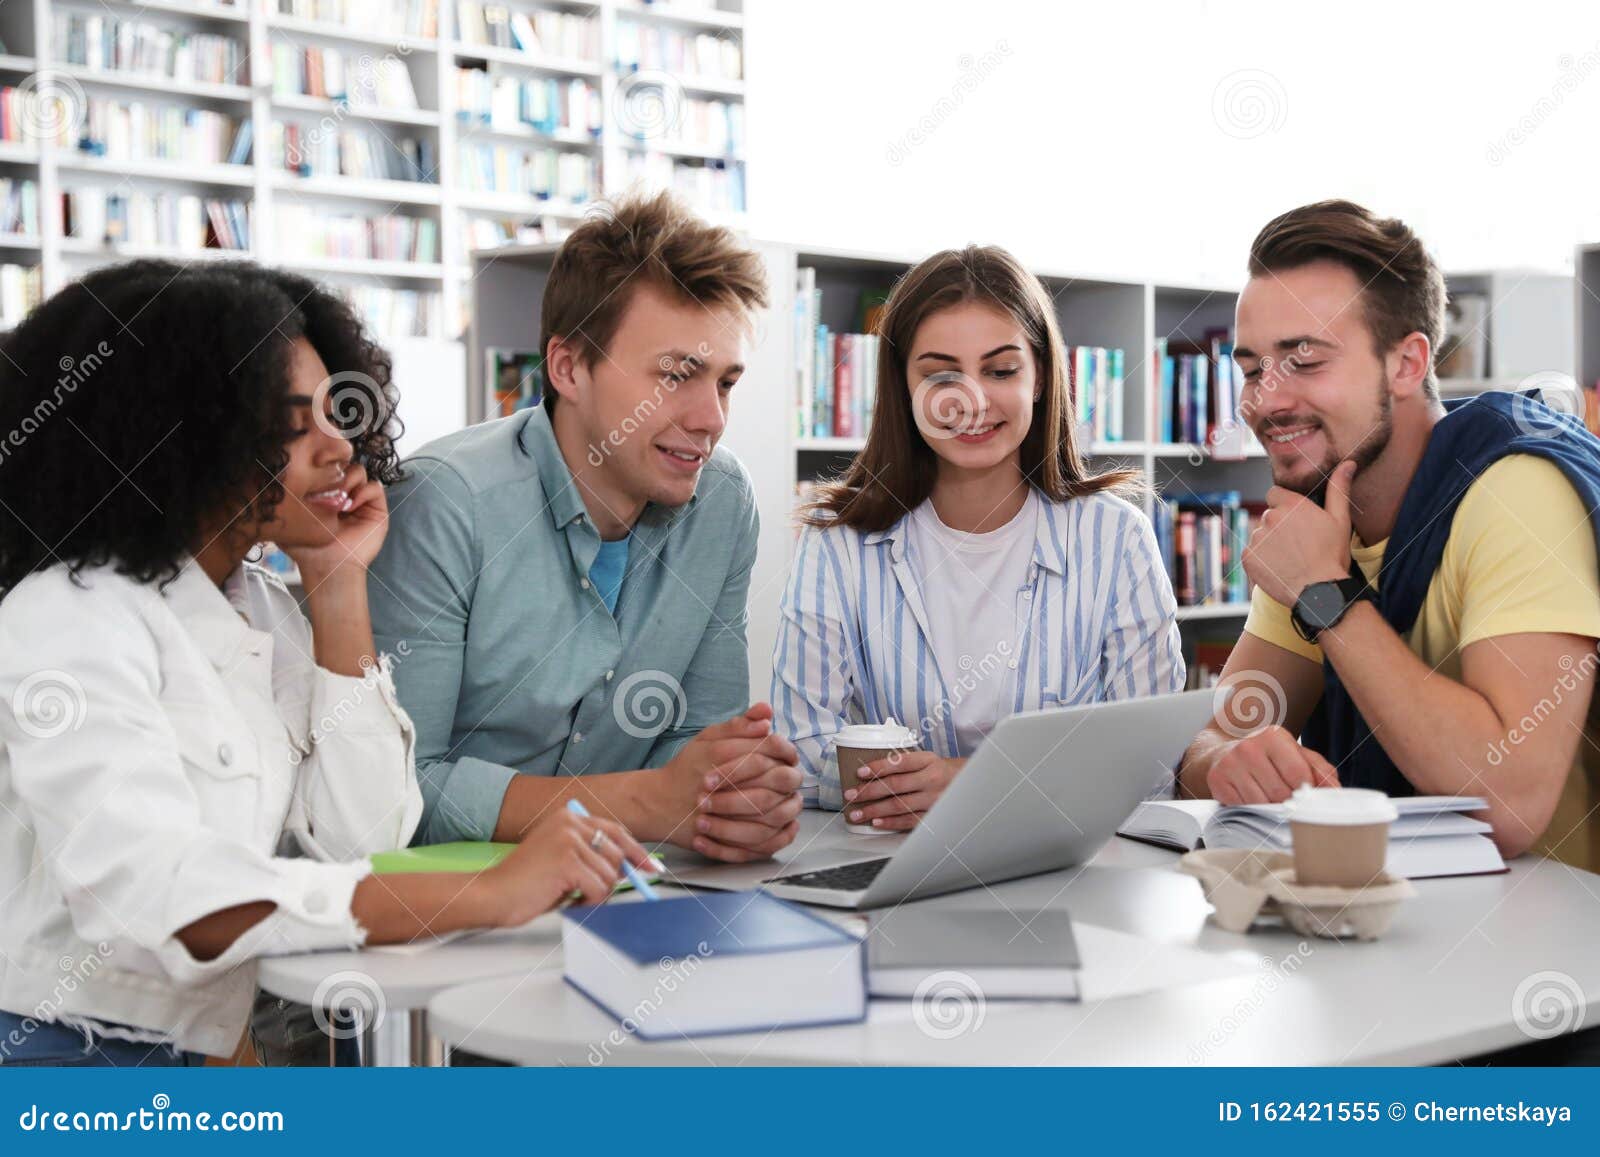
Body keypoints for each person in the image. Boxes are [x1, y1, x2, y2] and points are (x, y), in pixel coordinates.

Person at [0, 261, 651, 1067]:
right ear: (182, 435)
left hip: (199, 1055)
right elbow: (154, 897)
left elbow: (362, 838)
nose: (339, 445)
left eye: (334, 415)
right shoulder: (66, 615)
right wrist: (486, 889)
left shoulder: (262, 608)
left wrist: (341, 588)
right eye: (289, 423)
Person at [368, 190, 802, 864]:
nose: (712, 417)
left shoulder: (722, 501)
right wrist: (648, 800)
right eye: (676, 375)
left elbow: (698, 749)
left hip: (634, 889)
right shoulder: (444, 503)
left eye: (725, 382)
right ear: (568, 368)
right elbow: (394, 788)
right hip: (451, 914)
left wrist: (739, 800)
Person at [1178, 200, 1600, 870]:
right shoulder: (1316, 519)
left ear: (1407, 363)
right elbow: (1203, 743)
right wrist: (1229, 760)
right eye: (1253, 368)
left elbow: (1511, 801)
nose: (1265, 400)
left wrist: (1325, 593)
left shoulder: (1516, 489)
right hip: (1380, 931)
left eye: (1305, 358)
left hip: (1548, 945)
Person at [773, 245, 1185, 829]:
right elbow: (799, 750)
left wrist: (969, 783)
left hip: (1069, 872)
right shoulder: (835, 546)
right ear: (902, 386)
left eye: (1000, 370)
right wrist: (921, 789)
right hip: (890, 863)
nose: (969, 400)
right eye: (940, 373)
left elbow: (1150, 763)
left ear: (1041, 376)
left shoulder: (1117, 539)